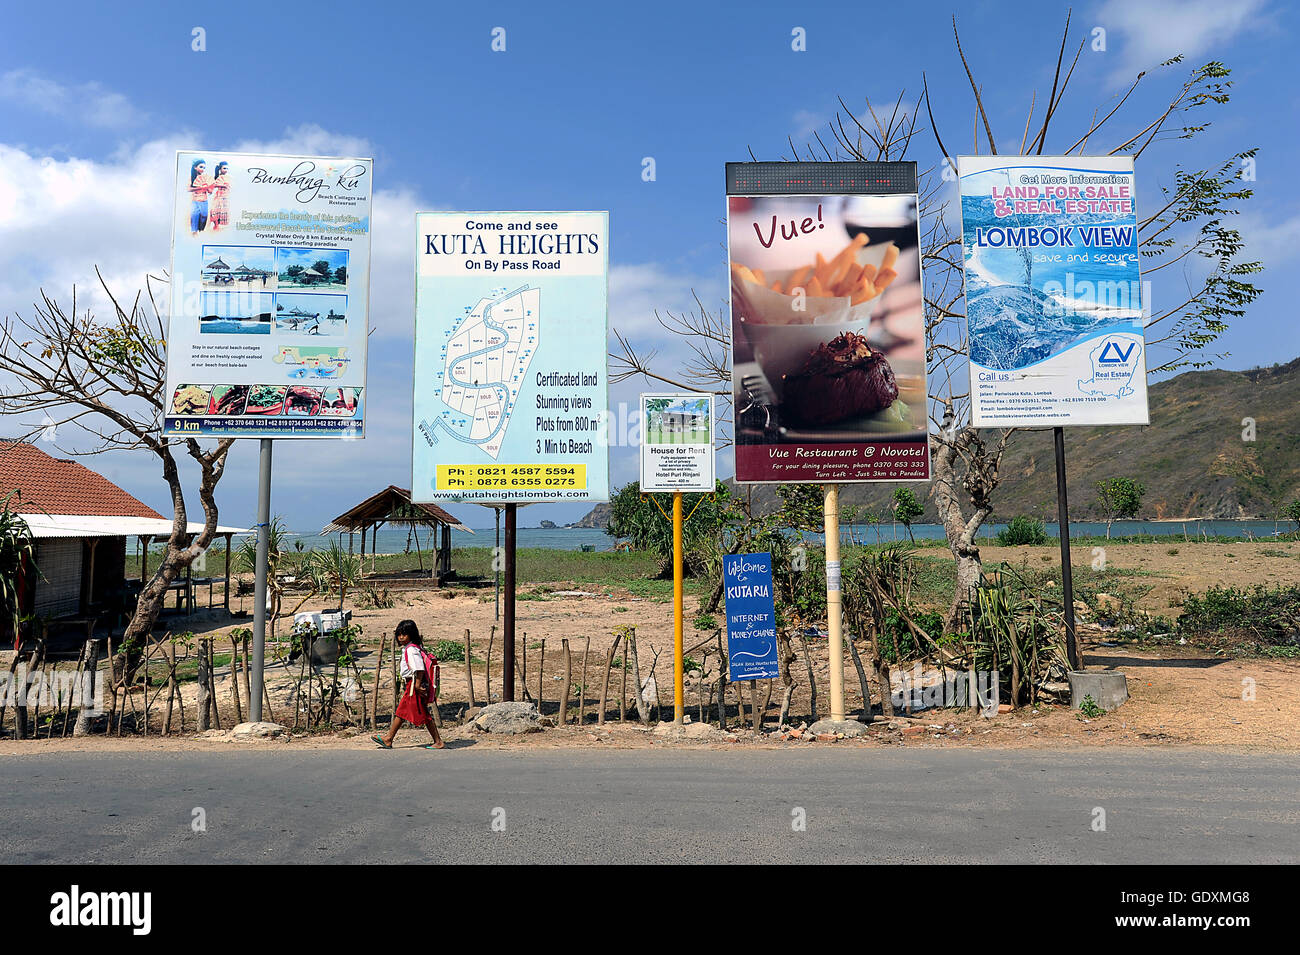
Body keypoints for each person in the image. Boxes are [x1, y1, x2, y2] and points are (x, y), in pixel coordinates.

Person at [373, 620, 444, 749]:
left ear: (411, 635)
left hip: (414, 684)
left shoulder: (411, 650)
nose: (401, 637)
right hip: (412, 684)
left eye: (404, 634)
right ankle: (389, 738)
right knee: (402, 711)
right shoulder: (412, 648)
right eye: (399, 634)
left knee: (421, 713)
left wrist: (417, 685)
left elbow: (419, 669)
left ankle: (438, 741)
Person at [189, 159, 213, 235]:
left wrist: (208, 188)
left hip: (204, 200)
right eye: (201, 167)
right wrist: (200, 187)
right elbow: (189, 189)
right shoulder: (192, 178)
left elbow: (210, 191)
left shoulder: (205, 178)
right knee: (194, 215)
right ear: (195, 167)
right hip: (195, 201)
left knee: (204, 216)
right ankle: (194, 232)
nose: (203, 169)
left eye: (204, 168)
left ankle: (201, 231)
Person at [209, 161, 231, 232]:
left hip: (226, 196)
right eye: (224, 168)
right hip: (219, 195)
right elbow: (213, 185)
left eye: (227, 168)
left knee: (223, 211)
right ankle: (216, 225)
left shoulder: (228, 177)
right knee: (215, 210)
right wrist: (222, 185)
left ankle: (219, 227)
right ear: (220, 169)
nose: (226, 170)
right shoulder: (218, 177)